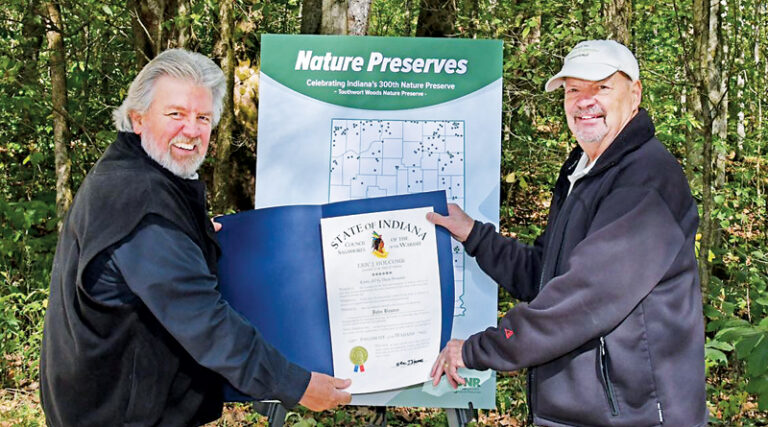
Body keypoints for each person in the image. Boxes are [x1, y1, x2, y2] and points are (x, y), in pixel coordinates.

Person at [40, 49, 351, 427]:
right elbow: (206, 321)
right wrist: (295, 384)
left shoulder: (133, 173)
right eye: (176, 114)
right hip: (118, 415)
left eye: (202, 117)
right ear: (138, 118)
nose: (191, 130)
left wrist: (192, 236)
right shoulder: (142, 204)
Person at [428, 40, 707, 426]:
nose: (585, 101)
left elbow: (581, 301)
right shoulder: (584, 169)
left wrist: (477, 350)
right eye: (574, 89)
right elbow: (543, 274)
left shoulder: (646, 181)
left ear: (635, 94)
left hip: (633, 416)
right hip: (583, 413)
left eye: (602, 87)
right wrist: (472, 234)